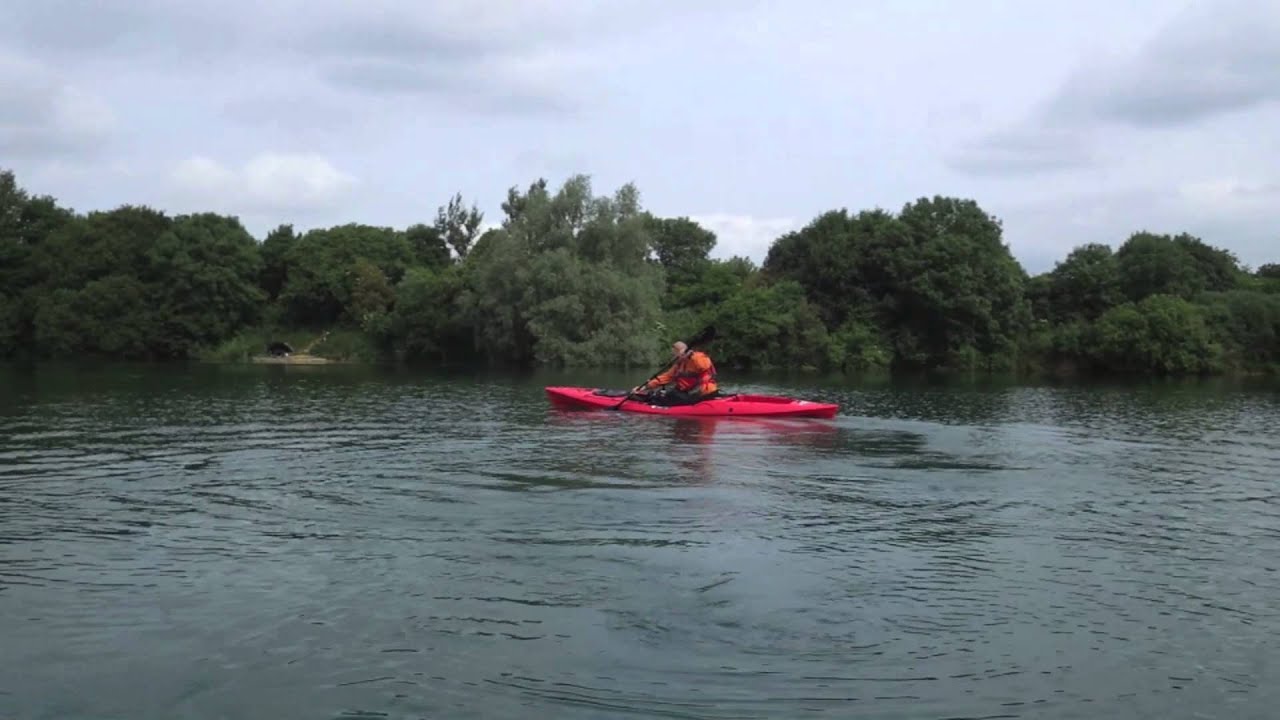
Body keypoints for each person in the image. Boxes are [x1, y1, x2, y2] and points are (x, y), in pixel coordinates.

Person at [632, 340, 719, 406]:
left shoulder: (698, 357)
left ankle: (651, 400)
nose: (674, 356)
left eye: (675, 353)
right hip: (691, 394)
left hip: (705, 393)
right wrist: (644, 387)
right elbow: (665, 377)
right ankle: (646, 396)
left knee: (671, 394)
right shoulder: (679, 365)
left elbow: (704, 365)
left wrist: (689, 355)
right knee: (667, 393)